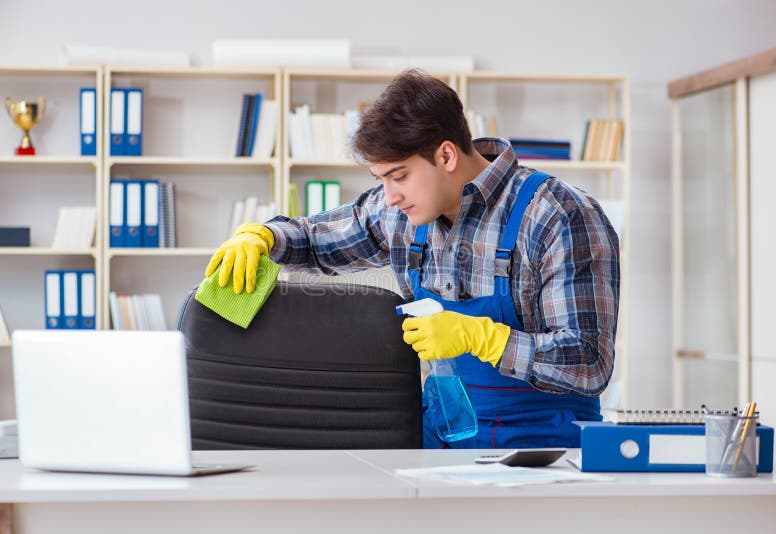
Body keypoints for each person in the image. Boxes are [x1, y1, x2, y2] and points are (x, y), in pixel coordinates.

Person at [205, 69, 620, 449]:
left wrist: (485, 338)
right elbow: (316, 239)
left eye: (399, 176)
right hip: (439, 441)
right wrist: (262, 237)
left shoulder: (559, 216)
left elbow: (588, 362)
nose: (390, 195)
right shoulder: (401, 213)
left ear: (446, 156)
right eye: (381, 180)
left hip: (543, 448)